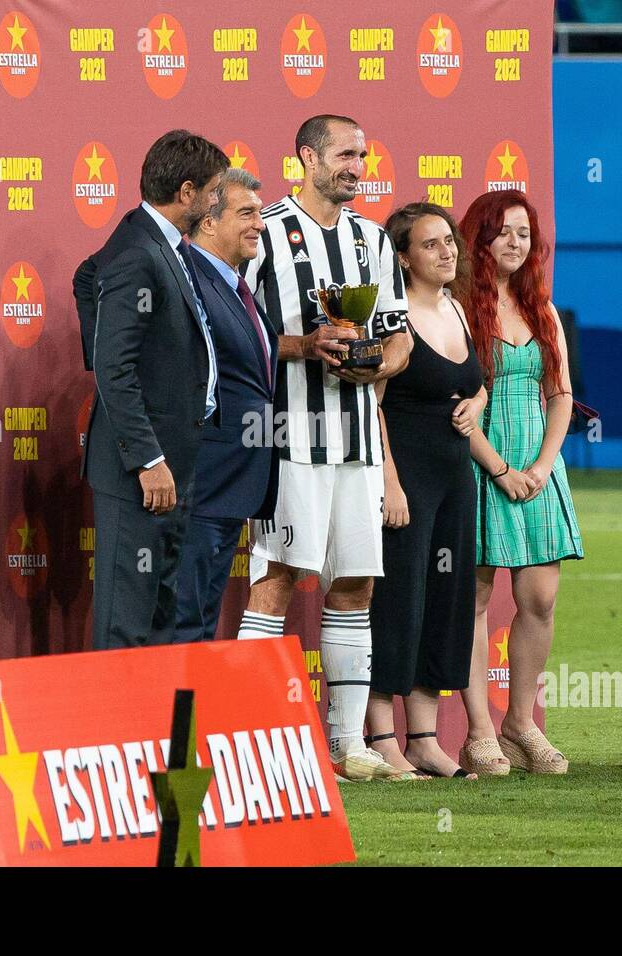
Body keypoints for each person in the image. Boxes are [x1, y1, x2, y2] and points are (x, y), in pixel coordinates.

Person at [234, 114, 414, 782]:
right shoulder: (265, 233)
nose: (357, 167)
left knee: (355, 585)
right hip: (289, 441)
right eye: (344, 155)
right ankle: (252, 749)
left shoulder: (371, 239)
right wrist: (304, 348)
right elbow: (234, 334)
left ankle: (346, 744)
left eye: (363, 156)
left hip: (359, 441)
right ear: (306, 157)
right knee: (277, 580)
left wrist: (378, 365)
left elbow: (398, 335)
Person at [77, 130, 227, 650]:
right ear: (187, 192)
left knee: (160, 620)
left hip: (175, 465)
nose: (217, 202)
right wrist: (147, 460)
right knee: (127, 622)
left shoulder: (154, 242)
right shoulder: (139, 251)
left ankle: (155, 733)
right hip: (141, 474)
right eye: (213, 191)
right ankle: (115, 731)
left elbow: (84, 277)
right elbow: (113, 368)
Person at [455, 189, 584, 774]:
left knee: (540, 599)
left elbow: (561, 397)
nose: (515, 242)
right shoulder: (457, 306)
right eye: (504, 231)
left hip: (538, 468)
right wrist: (500, 469)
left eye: (524, 233)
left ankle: (521, 723)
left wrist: (538, 467)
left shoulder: (543, 308)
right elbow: (456, 405)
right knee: (475, 599)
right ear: (479, 238)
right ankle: (480, 730)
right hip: (478, 465)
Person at [364, 203, 486, 780]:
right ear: (404, 257)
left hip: (454, 478)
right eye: (431, 244)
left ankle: (424, 739)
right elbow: (373, 406)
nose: (447, 252)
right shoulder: (393, 318)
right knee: (398, 601)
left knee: (444, 603)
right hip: (405, 479)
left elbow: (471, 383)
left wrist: (478, 404)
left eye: (449, 241)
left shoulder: (458, 308)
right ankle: (381, 736)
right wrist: (389, 481)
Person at [173, 168, 280, 644]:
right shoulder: (188, 277)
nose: (260, 223)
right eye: (247, 213)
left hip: (235, 477)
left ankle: (189, 717)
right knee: (183, 618)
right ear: (209, 222)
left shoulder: (237, 286)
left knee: (199, 618)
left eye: (260, 213)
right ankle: (168, 719)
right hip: (201, 477)